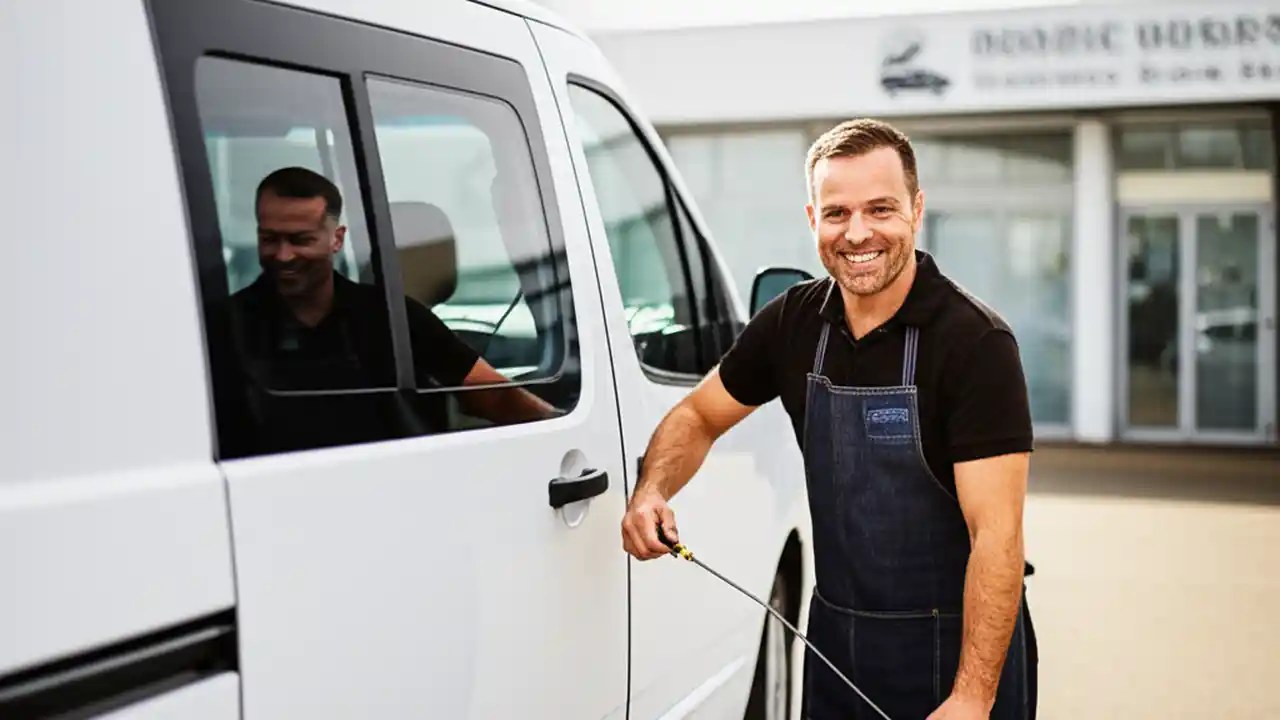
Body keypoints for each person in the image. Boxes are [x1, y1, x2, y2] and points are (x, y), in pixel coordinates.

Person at [621, 119, 1036, 720]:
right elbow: (698, 414)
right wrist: (651, 490)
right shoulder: (793, 323)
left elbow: (997, 537)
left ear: (916, 211)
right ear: (813, 220)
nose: (858, 232)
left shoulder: (975, 344)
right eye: (837, 212)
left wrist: (972, 696)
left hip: (957, 654)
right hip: (837, 643)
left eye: (881, 209)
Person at [215, 166, 556, 455]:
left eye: (301, 240)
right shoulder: (224, 325)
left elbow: (493, 396)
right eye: (270, 239)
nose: (283, 255)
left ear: (336, 239)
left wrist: (562, 428)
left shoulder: (390, 317)